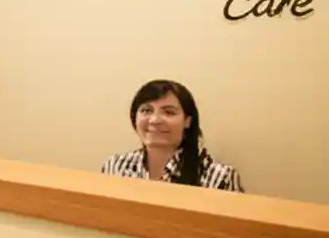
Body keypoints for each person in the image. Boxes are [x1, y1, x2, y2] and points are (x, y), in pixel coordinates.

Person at [101, 79, 243, 192]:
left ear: (187, 121)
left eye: (168, 112)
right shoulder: (115, 166)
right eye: (146, 110)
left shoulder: (220, 177)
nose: (155, 120)